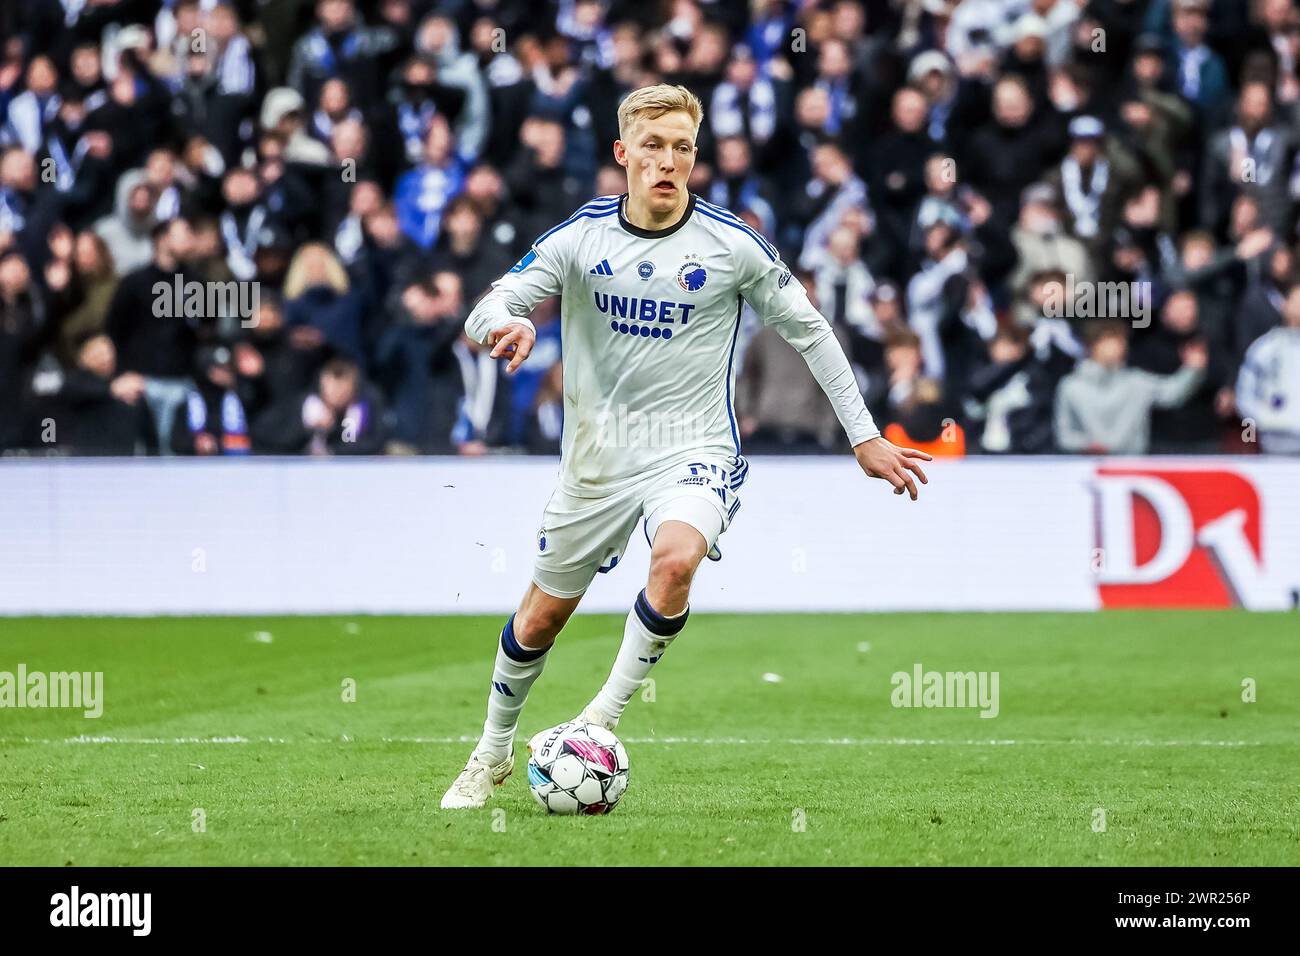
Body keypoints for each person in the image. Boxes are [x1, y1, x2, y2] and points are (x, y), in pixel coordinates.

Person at [440, 84, 931, 810]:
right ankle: (492, 750)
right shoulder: (582, 237)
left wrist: (865, 437)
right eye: (653, 147)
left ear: (694, 158)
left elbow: (811, 329)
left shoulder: (731, 245)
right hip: (597, 462)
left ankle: (596, 722)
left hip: (691, 450)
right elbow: (490, 304)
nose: (667, 161)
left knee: (674, 561)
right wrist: (503, 328)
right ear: (623, 155)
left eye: (682, 148)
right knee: (541, 617)